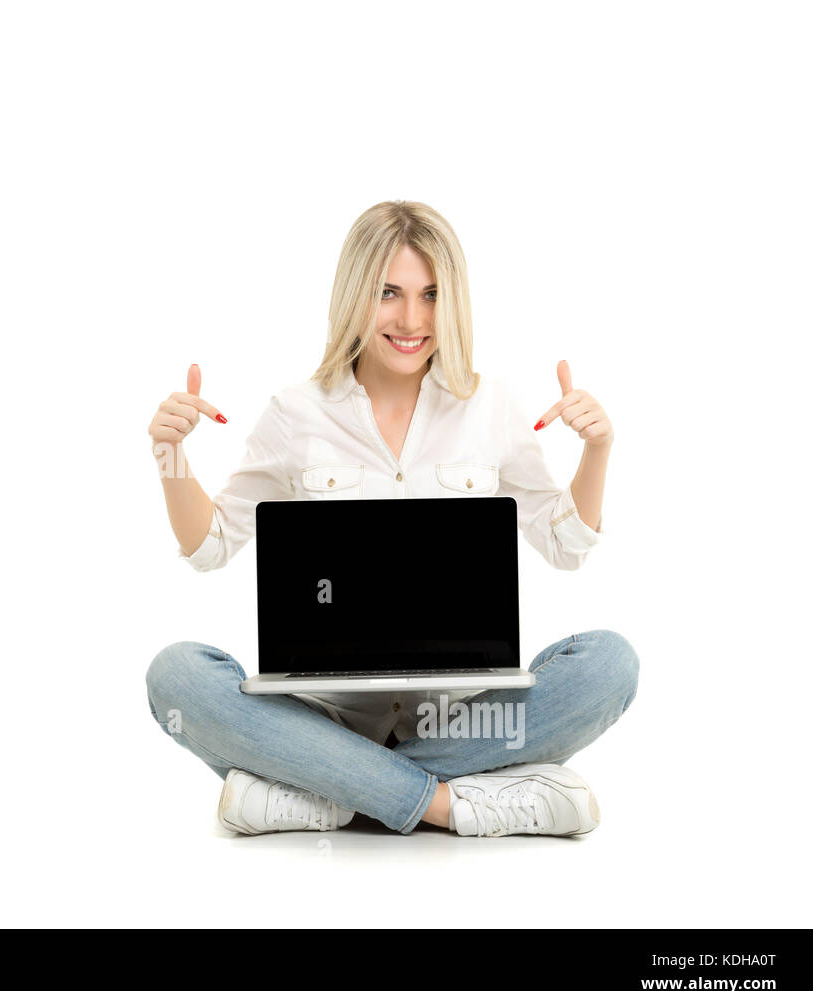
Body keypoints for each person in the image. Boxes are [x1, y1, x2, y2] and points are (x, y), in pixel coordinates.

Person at [144, 200, 639, 838]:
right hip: (325, 717)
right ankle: (449, 805)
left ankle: (330, 791)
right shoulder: (296, 414)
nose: (412, 319)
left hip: (460, 721)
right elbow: (209, 546)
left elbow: (566, 544)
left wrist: (597, 451)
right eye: (389, 293)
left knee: (610, 665)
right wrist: (171, 454)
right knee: (176, 676)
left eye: (431, 295)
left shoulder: (490, 408)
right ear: (356, 294)